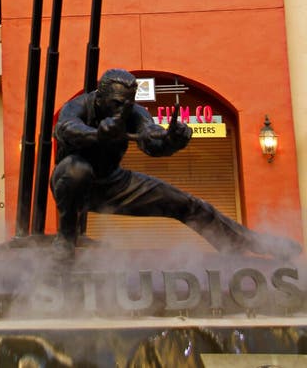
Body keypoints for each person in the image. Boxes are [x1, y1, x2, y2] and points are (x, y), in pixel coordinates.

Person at [50, 68, 301, 261]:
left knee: (187, 204)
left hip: (114, 184)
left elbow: (152, 141)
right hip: (73, 184)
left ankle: (241, 243)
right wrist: (98, 135)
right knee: (76, 170)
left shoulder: (133, 113)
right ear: (99, 97)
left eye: (128, 102)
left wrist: (172, 140)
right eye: (117, 103)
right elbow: (65, 129)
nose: (123, 109)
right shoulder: (79, 105)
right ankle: (66, 238)